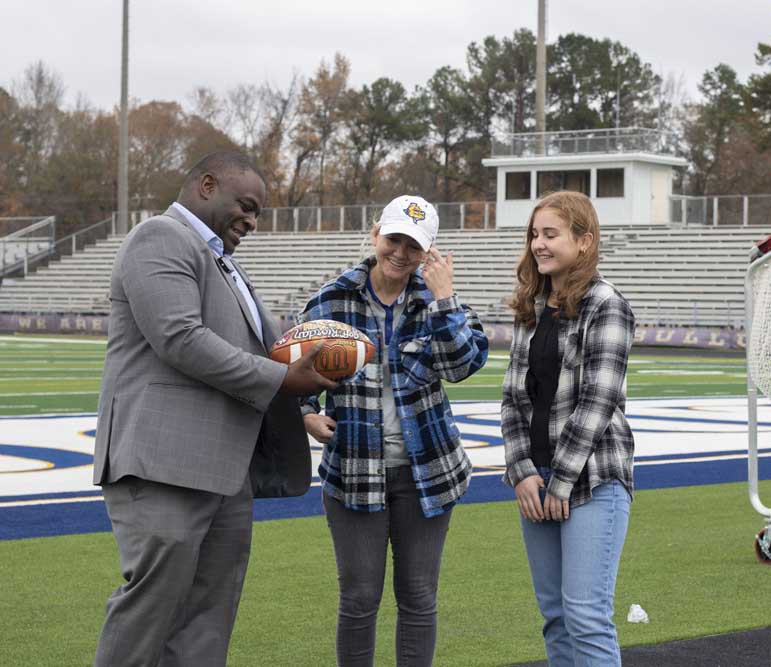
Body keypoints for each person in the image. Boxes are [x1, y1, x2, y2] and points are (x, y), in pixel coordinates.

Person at [92, 151, 338, 667]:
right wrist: (281, 379)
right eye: (246, 206)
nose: (250, 221)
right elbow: (179, 338)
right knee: (150, 611)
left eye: (257, 214)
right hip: (166, 466)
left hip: (225, 473)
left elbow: (252, 354)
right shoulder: (160, 237)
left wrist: (300, 409)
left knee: (208, 618)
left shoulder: (224, 262)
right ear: (207, 185)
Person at [299, 194, 489, 666]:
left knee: (419, 598)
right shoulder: (330, 299)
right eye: (395, 238)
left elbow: (462, 365)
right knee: (359, 600)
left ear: (430, 252)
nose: (401, 253)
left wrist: (445, 299)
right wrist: (304, 412)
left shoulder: (439, 301)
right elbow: (293, 370)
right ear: (375, 234)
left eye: (415, 245)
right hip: (354, 470)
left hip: (427, 471)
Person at [501, 190, 636, 666]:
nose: (538, 244)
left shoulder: (606, 305)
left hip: (592, 478)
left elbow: (598, 403)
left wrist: (559, 480)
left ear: (585, 241)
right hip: (537, 478)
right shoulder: (532, 305)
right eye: (535, 234)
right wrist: (522, 470)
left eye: (551, 234)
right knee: (555, 616)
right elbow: (513, 399)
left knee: (586, 616)